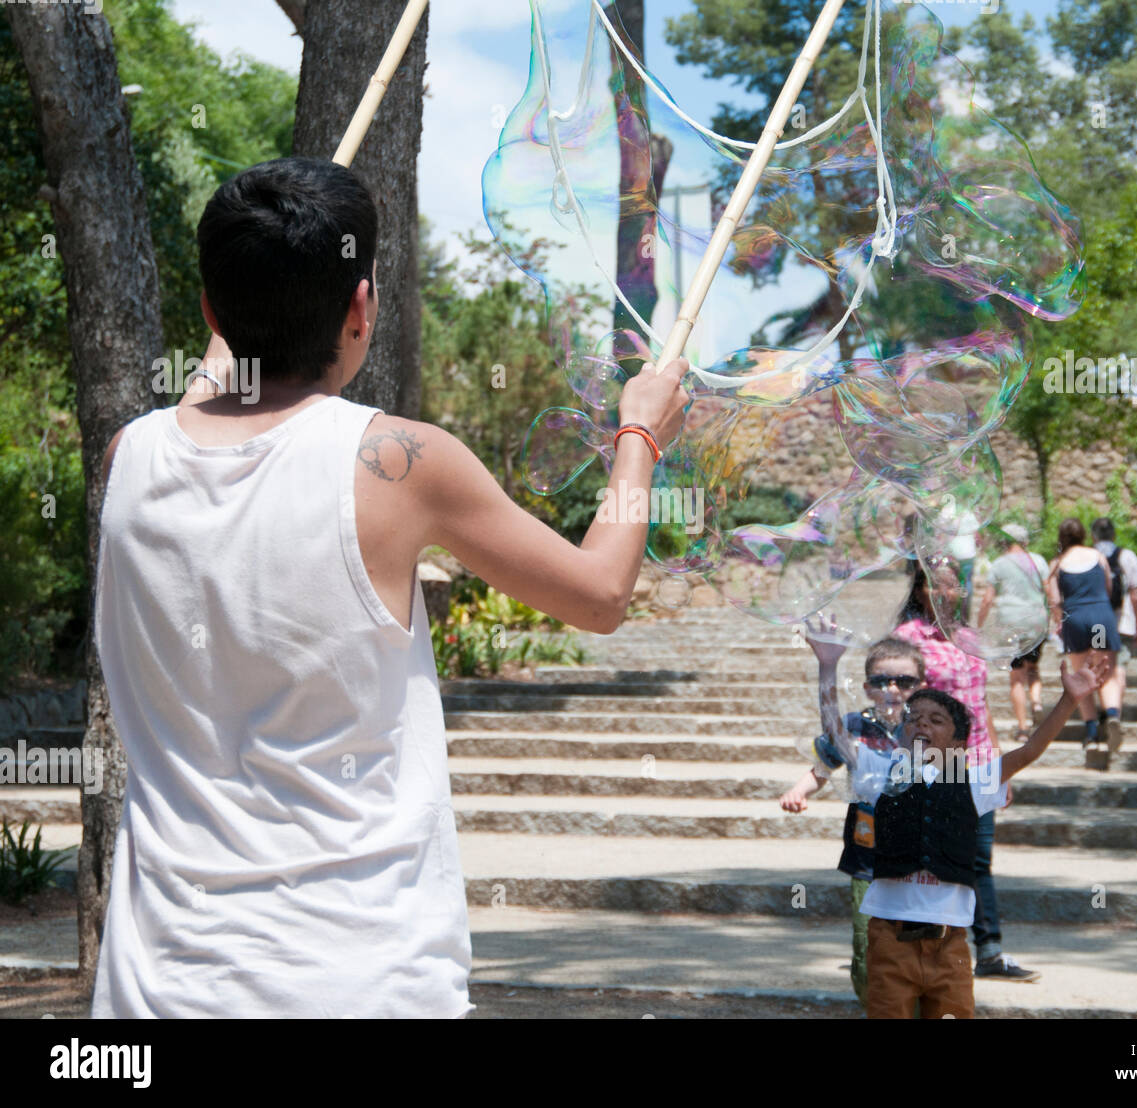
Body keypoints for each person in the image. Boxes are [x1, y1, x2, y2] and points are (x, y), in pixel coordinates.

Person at [89, 157, 691, 1017]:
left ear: (210, 310)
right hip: (359, 979)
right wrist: (640, 435)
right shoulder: (400, 465)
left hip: (157, 989)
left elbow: (209, 398)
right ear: (363, 308)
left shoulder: (128, 459)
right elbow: (599, 594)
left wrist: (255, 285)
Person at [854, 658, 1108, 1018]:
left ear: (959, 742)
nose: (922, 722)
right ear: (901, 732)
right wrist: (827, 663)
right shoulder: (881, 772)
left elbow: (1028, 751)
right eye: (914, 718)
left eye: (936, 719)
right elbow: (834, 733)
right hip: (889, 938)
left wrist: (1069, 699)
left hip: (951, 944)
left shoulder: (973, 781)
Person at [894, 561, 1040, 982]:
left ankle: (990, 951)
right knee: (932, 857)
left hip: (975, 761)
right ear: (920, 591)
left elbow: (981, 705)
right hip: (934, 764)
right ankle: (928, 950)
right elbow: (898, 708)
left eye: (953, 584)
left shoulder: (970, 638)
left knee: (978, 857)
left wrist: (1000, 765)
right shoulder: (908, 640)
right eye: (935, 585)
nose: (945, 591)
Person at [780, 633, 925, 1009]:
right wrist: (800, 789)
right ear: (867, 687)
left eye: (904, 681)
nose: (892, 688)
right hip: (868, 859)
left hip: (921, 861)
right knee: (867, 943)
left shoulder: (929, 730)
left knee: (919, 945)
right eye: (881, 681)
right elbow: (824, 760)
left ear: (921, 687)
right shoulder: (856, 728)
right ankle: (876, 1007)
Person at [1045, 518, 1122, 765]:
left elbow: (1055, 601)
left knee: (1082, 674)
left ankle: (1091, 730)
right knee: (1105, 673)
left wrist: (1059, 622)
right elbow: (1109, 587)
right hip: (1100, 617)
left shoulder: (1056, 565)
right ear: (1083, 535)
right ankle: (1111, 715)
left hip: (1076, 619)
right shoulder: (1097, 556)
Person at [980, 524, 1049, 741]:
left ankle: (1022, 729)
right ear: (1025, 542)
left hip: (1010, 622)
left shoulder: (999, 564)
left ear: (1004, 542)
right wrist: (1057, 617)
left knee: (1016, 677)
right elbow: (1049, 591)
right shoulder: (1038, 561)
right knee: (1033, 667)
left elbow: (988, 599)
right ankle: (1036, 702)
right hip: (1037, 620)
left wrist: (979, 624)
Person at [1090, 518, 1137, 724]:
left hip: (1097, 623)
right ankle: (1115, 713)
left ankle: (1107, 709)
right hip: (1124, 622)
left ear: (1093, 536)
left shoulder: (1089, 556)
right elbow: (1136, 594)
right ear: (1114, 535)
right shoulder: (1127, 556)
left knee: (1100, 665)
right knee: (1119, 668)